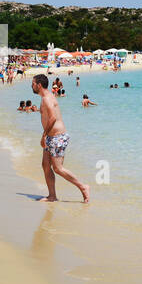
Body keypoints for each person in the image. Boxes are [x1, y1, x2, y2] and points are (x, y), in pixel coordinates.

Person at [32, 74, 89, 203]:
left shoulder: (47, 98)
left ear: (39, 85)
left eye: (33, 83)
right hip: (51, 137)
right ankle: (52, 196)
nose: (32, 86)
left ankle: (83, 187)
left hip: (57, 137)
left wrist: (44, 135)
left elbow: (52, 118)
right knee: (46, 165)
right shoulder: (46, 97)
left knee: (58, 168)